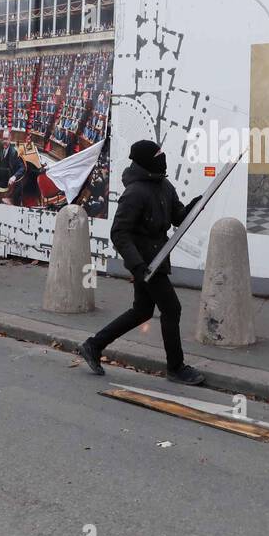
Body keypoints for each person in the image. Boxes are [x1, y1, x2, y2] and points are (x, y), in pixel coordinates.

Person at [76, 140, 203, 384]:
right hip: (146, 264)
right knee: (172, 308)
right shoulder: (134, 193)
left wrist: (194, 207)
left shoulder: (164, 184)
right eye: (158, 155)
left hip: (157, 259)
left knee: (142, 311)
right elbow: (119, 233)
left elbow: (177, 216)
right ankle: (176, 368)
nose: (162, 158)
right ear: (146, 161)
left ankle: (93, 345)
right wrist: (137, 265)